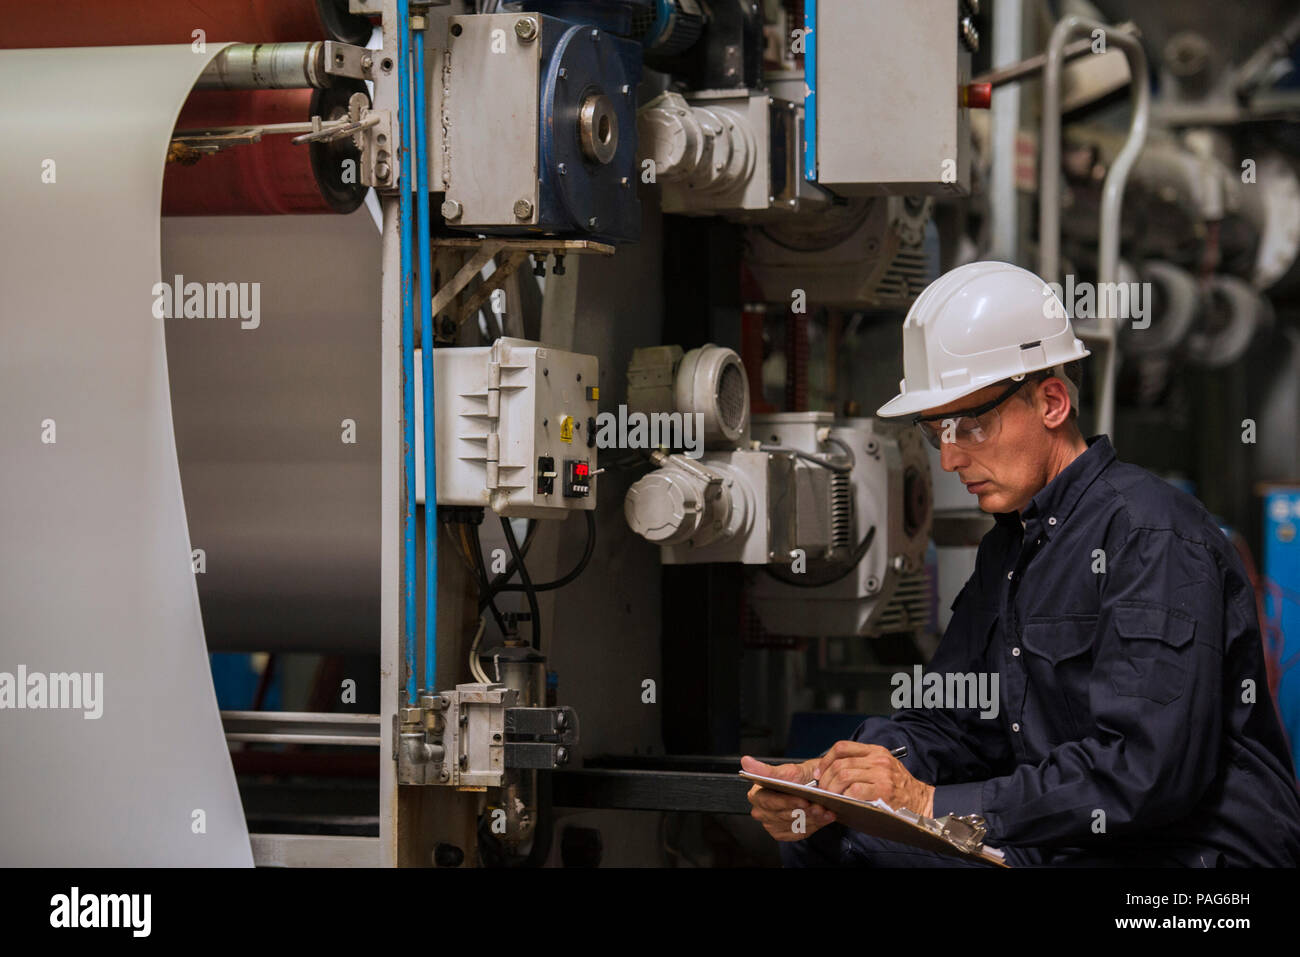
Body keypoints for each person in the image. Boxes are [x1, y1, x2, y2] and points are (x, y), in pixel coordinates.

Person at [744, 261, 1300, 866]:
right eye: (937, 434)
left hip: (1189, 863)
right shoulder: (1010, 549)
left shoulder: (1152, 538)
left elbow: (1143, 773)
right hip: (1070, 843)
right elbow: (950, 719)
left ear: (1052, 401)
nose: (950, 459)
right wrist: (838, 781)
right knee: (829, 838)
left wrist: (928, 800)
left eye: (970, 427)